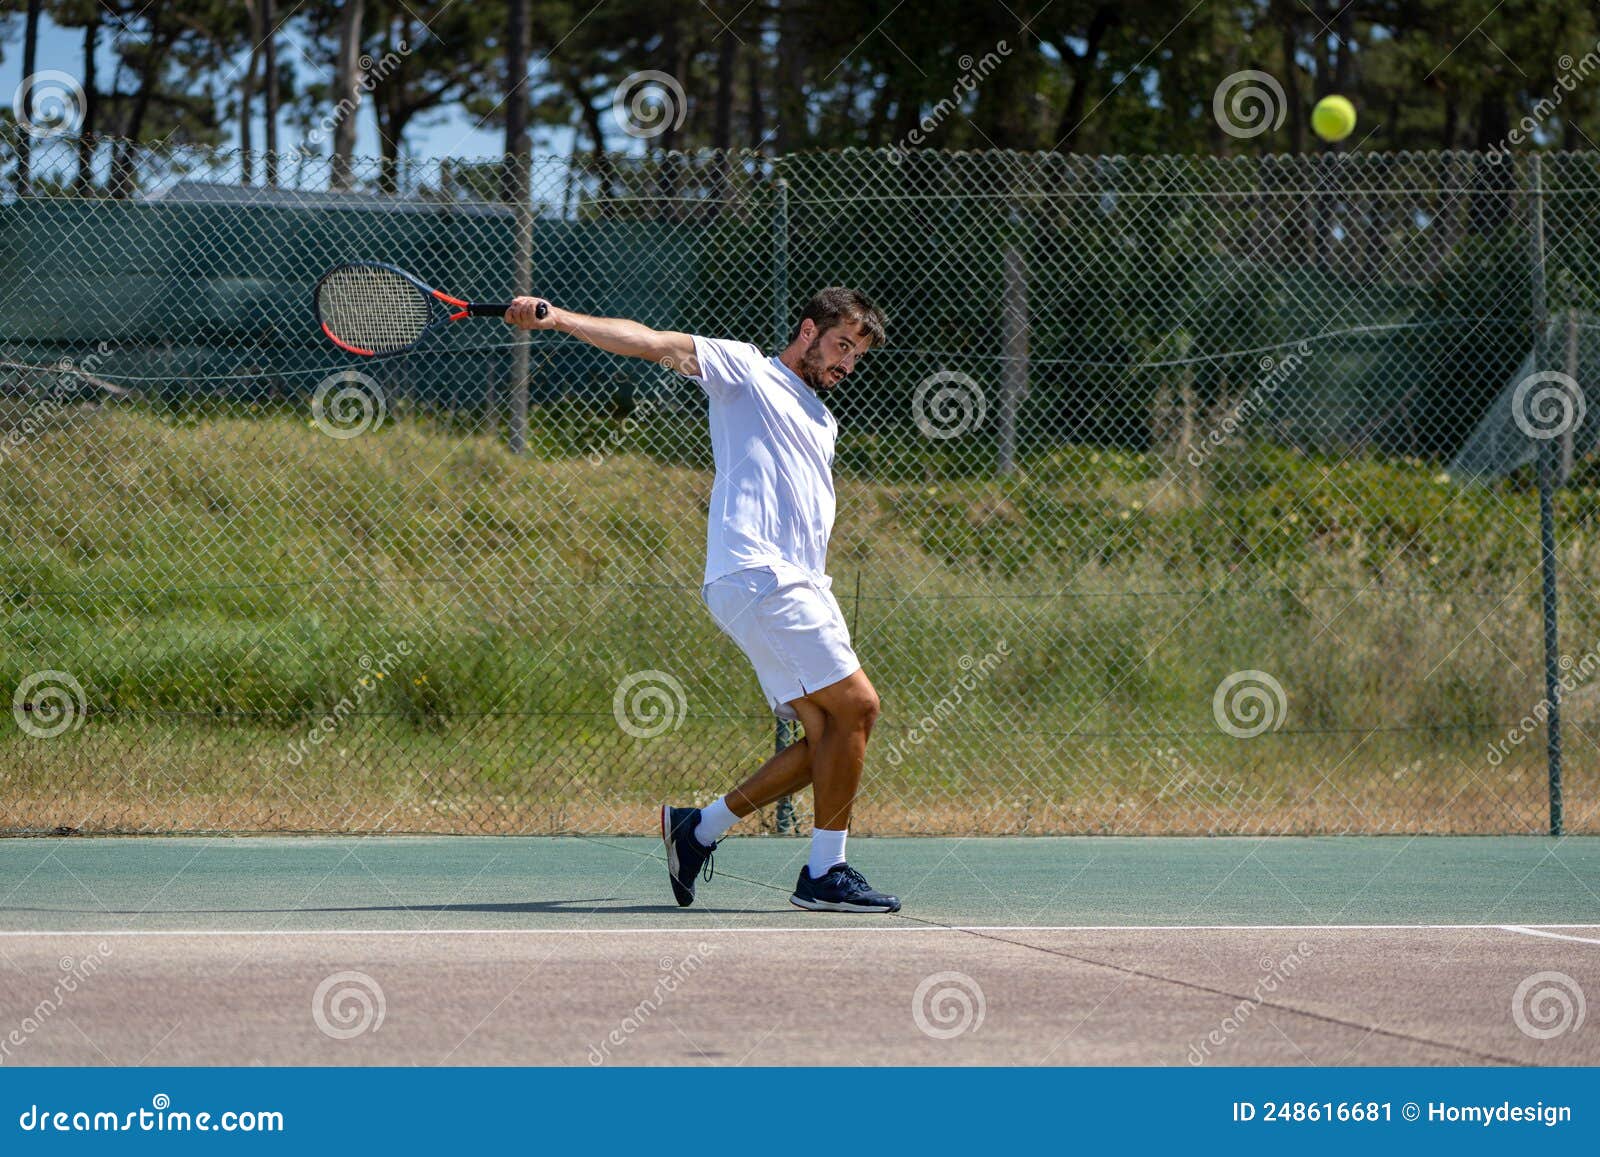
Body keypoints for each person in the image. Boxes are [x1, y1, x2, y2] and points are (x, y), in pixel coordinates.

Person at [504, 287, 900, 913]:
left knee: (828, 733)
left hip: (798, 582)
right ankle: (825, 872)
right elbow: (650, 341)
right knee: (861, 706)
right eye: (841, 345)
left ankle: (699, 830)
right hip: (759, 575)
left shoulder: (822, 419)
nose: (847, 364)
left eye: (857, 355)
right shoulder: (745, 370)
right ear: (807, 331)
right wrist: (559, 319)